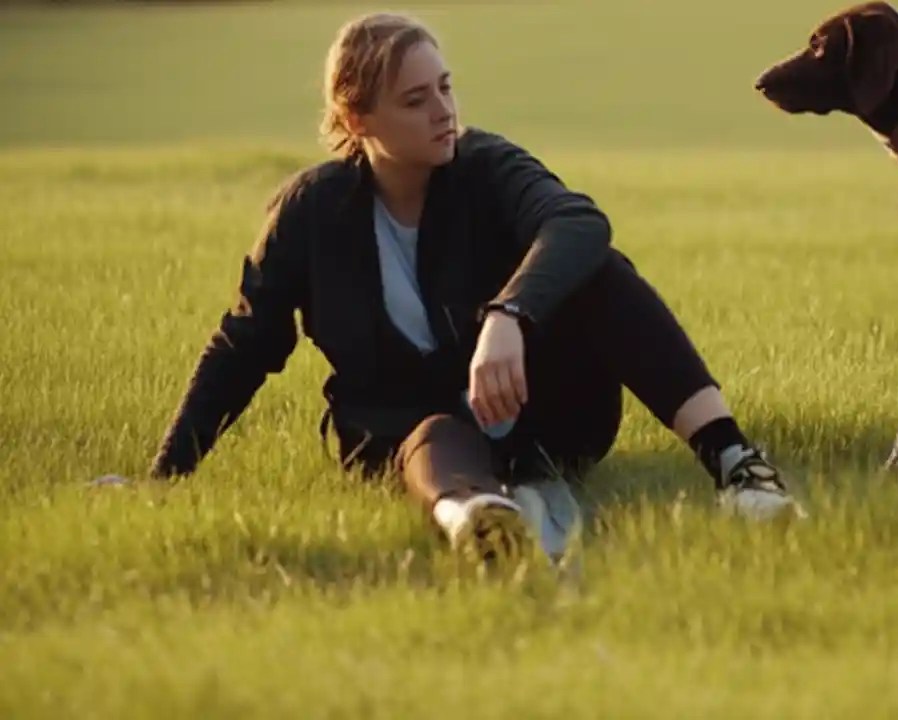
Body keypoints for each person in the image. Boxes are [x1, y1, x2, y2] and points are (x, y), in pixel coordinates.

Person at [149, 12, 797, 564]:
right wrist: (164, 478)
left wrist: (508, 315)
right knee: (430, 434)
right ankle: (476, 521)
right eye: (415, 100)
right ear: (357, 116)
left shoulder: (485, 164)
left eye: (446, 88)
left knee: (599, 269)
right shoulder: (309, 212)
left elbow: (577, 222)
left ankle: (736, 464)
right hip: (404, 433)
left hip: (543, 416)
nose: (444, 112)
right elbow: (244, 346)